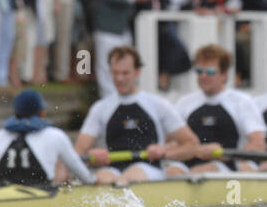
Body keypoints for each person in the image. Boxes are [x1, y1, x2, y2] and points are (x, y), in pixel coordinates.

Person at [73, 46, 201, 185]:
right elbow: (78, 152)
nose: (120, 78)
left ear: (137, 71)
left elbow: (191, 145)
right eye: (115, 73)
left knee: (126, 179)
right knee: (99, 180)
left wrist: (165, 153)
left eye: (125, 73)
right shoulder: (100, 108)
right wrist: (90, 157)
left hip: (149, 167)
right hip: (112, 168)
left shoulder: (158, 105)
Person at [175, 44, 267, 172]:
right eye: (199, 71)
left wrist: (223, 153)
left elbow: (258, 145)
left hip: (228, 164)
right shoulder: (184, 102)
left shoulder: (242, 102)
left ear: (224, 74)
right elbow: (171, 142)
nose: (203, 76)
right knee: (171, 171)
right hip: (191, 163)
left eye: (210, 72)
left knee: (205, 170)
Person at [0, 89, 94, 186]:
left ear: (15, 113)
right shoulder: (56, 135)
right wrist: (95, 181)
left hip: (1, 195)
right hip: (41, 195)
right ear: (42, 113)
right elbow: (83, 175)